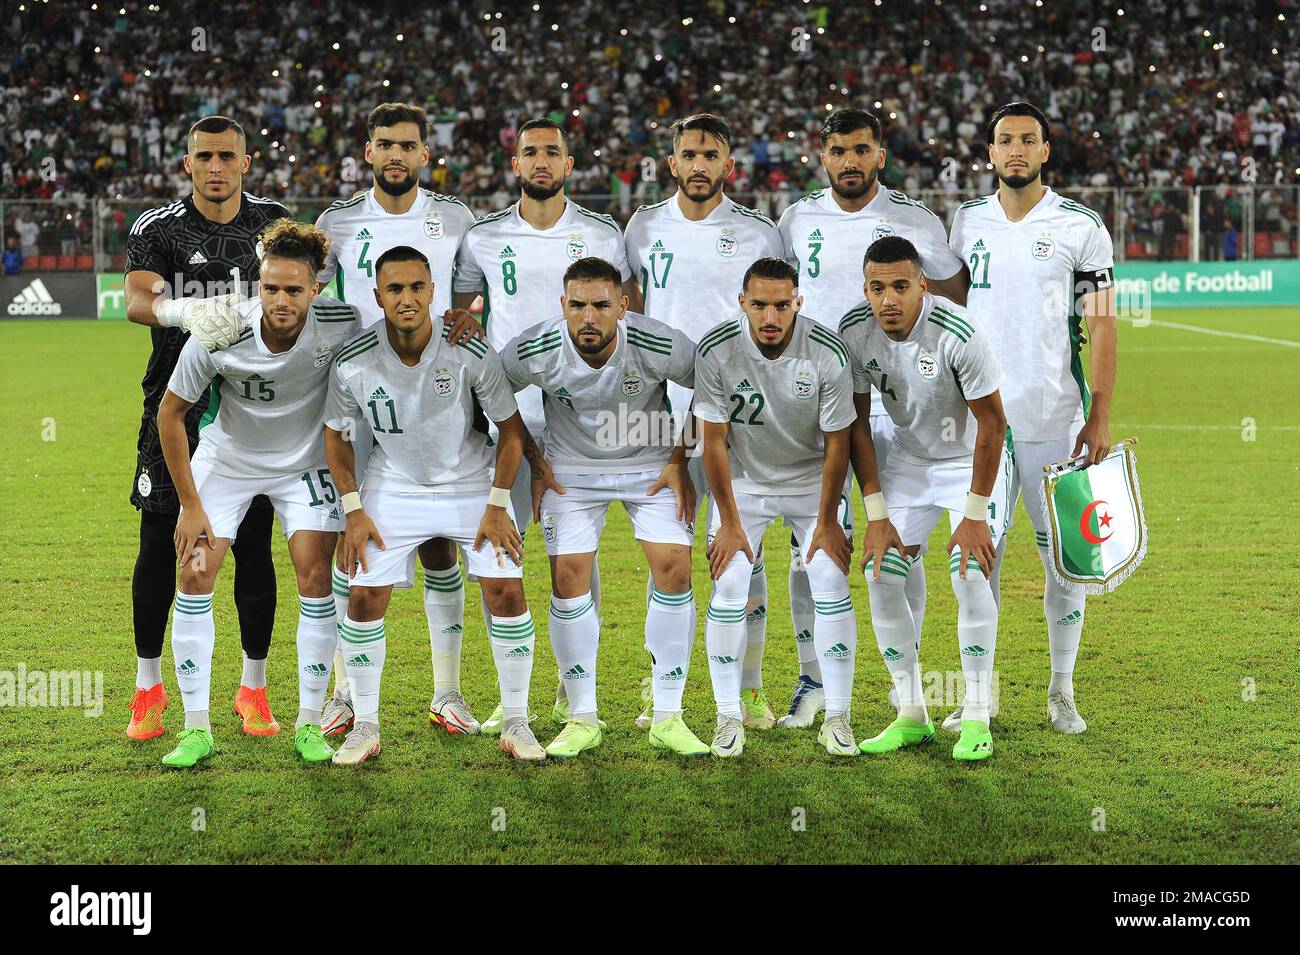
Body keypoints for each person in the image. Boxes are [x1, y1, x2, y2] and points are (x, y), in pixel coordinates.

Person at [776, 108, 969, 728]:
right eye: (838, 150)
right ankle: (813, 682)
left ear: (879, 155)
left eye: (861, 149)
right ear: (822, 155)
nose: (850, 161)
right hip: (817, 408)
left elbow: (955, 297)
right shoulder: (795, 220)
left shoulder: (916, 220)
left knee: (898, 550)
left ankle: (905, 688)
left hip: (901, 408)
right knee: (813, 549)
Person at [452, 117, 639, 733]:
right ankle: (509, 696)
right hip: (504, 419)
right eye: (529, 152)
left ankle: (570, 685)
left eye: (551, 153)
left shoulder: (603, 232)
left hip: (581, 419)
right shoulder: (482, 237)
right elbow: (460, 317)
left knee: (574, 554)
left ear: (568, 163)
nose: (540, 162)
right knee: (499, 553)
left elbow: (627, 316)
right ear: (515, 163)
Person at [323, 246, 545, 764]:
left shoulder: (469, 350)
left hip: (471, 483)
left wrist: (495, 504)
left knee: (507, 591)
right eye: (395, 289)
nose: (407, 298)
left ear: (432, 292)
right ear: (377, 295)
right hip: (392, 483)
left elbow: (510, 434)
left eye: (417, 287)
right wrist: (354, 509)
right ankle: (367, 726)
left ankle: (517, 721)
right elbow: (336, 436)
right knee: (364, 600)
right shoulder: (353, 360)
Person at [154, 219, 359, 767]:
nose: (281, 300)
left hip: (304, 466)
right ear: (257, 284)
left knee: (316, 579)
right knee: (195, 572)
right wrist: (190, 504)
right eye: (271, 288)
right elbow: (170, 414)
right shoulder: (222, 330)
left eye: (294, 289)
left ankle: (310, 724)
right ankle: (196, 729)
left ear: (316, 289)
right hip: (226, 463)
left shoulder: (342, 323)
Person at [949, 101, 1118, 734]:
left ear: (1046, 150)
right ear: (989, 153)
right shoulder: (966, 224)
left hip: (1056, 421)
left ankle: (1061, 690)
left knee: (1066, 562)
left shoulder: (1080, 226)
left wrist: (1098, 418)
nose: (1015, 150)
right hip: (979, 428)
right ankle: (977, 697)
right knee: (973, 564)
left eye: (1027, 140)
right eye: (1003, 141)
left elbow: (1101, 325)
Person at [314, 102, 481, 738]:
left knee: (440, 539)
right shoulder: (338, 222)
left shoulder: (454, 219)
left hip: (435, 399)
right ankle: (343, 695)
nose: (396, 155)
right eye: (385, 144)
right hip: (356, 396)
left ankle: (448, 692)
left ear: (424, 154)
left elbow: (465, 307)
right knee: (347, 539)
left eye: (408, 145)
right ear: (368, 151)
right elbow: (310, 298)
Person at [122, 116, 289, 742]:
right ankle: (147, 689)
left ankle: (254, 690)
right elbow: (137, 297)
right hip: (176, 407)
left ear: (246, 163)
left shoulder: (271, 224)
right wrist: (179, 308)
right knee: (161, 545)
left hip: (253, 410)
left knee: (253, 548)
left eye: (227, 156)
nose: (215, 167)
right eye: (203, 157)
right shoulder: (158, 228)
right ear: (186, 163)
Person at [500, 257, 708, 757]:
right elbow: (492, 389)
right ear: (562, 305)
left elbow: (711, 384)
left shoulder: (658, 342)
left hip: (651, 461)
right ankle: (582, 717)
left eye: (600, 306)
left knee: (674, 569)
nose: (588, 317)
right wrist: (534, 457)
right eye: (577, 305)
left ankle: (667, 715)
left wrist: (681, 457)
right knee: (568, 575)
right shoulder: (536, 348)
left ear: (623, 306)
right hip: (571, 467)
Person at [623, 113, 785, 731]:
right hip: (660, 416)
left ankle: (748, 688)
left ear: (729, 166)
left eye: (710, 155)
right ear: (672, 163)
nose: (699, 165)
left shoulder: (758, 233)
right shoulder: (643, 227)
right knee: (668, 555)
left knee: (742, 552)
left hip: (739, 415)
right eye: (689, 154)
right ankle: (660, 691)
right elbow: (634, 308)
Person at [840, 236, 1011, 761]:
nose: (888, 300)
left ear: (922, 285)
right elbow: (857, 427)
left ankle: (977, 713)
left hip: (969, 460)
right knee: (881, 570)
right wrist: (875, 514)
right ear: (865, 289)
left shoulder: (958, 331)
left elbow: (993, 424)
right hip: (911, 460)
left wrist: (975, 514)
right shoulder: (855, 332)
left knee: (969, 570)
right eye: (877, 288)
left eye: (899, 287)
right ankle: (911, 712)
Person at [693, 257, 859, 758]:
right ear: (742, 303)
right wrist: (728, 520)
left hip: (815, 485)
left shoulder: (827, 351)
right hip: (744, 484)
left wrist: (828, 522)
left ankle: (838, 716)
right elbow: (714, 442)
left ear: (797, 304)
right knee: (730, 584)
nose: (770, 316)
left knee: (829, 580)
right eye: (759, 305)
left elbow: (838, 444)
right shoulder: (717, 350)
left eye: (782, 305)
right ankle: (728, 717)